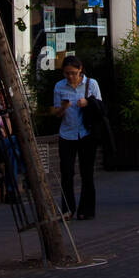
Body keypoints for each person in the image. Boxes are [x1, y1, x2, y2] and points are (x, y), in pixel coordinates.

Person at [51, 56, 103, 218]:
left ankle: (86, 210)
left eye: (73, 73)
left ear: (80, 69)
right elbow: (56, 114)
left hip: (86, 133)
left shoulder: (91, 84)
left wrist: (87, 102)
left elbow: (100, 107)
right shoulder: (59, 87)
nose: (70, 77)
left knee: (86, 172)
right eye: (66, 73)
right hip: (67, 134)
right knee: (66, 172)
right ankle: (67, 209)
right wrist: (63, 108)